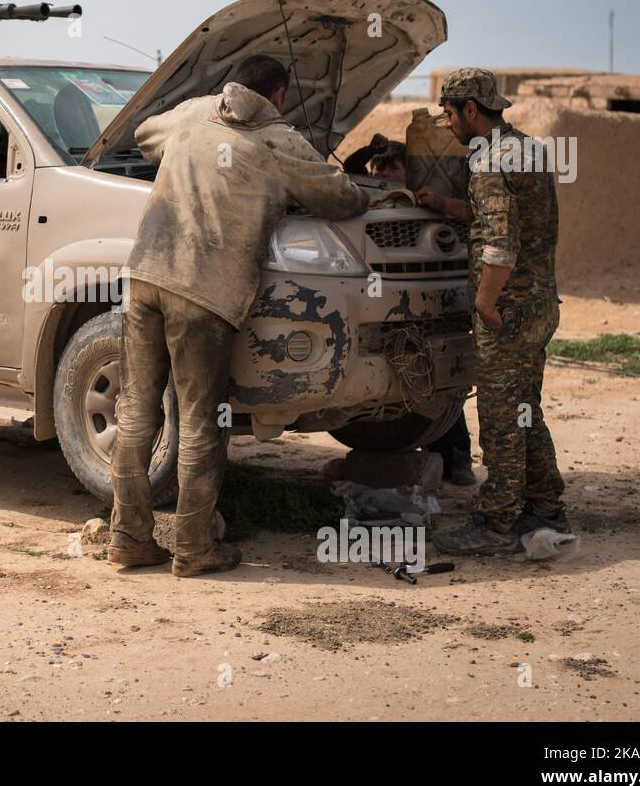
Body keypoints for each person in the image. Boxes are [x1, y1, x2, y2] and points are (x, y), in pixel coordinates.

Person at [108, 54, 369, 577]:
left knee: (136, 411)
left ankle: (129, 536)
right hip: (205, 292)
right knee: (203, 420)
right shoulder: (280, 141)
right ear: (277, 96)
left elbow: (142, 135)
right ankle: (194, 546)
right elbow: (342, 199)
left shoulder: (193, 113)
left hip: (146, 276)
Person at [417, 68, 568, 555]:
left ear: (471, 110)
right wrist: (446, 204)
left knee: (501, 417)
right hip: (541, 302)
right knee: (527, 409)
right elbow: (503, 214)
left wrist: (484, 304)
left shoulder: (489, 162)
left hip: (507, 310)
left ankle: (497, 524)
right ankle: (544, 506)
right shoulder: (526, 149)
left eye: (449, 112)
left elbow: (500, 242)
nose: (446, 122)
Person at [346, 133, 476, 486]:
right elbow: (350, 170)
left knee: (438, 381)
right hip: (391, 305)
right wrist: (366, 152)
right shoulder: (378, 201)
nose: (384, 173)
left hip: (432, 303)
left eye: (393, 166)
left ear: (410, 171)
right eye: (379, 167)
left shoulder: (423, 202)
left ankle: (457, 460)